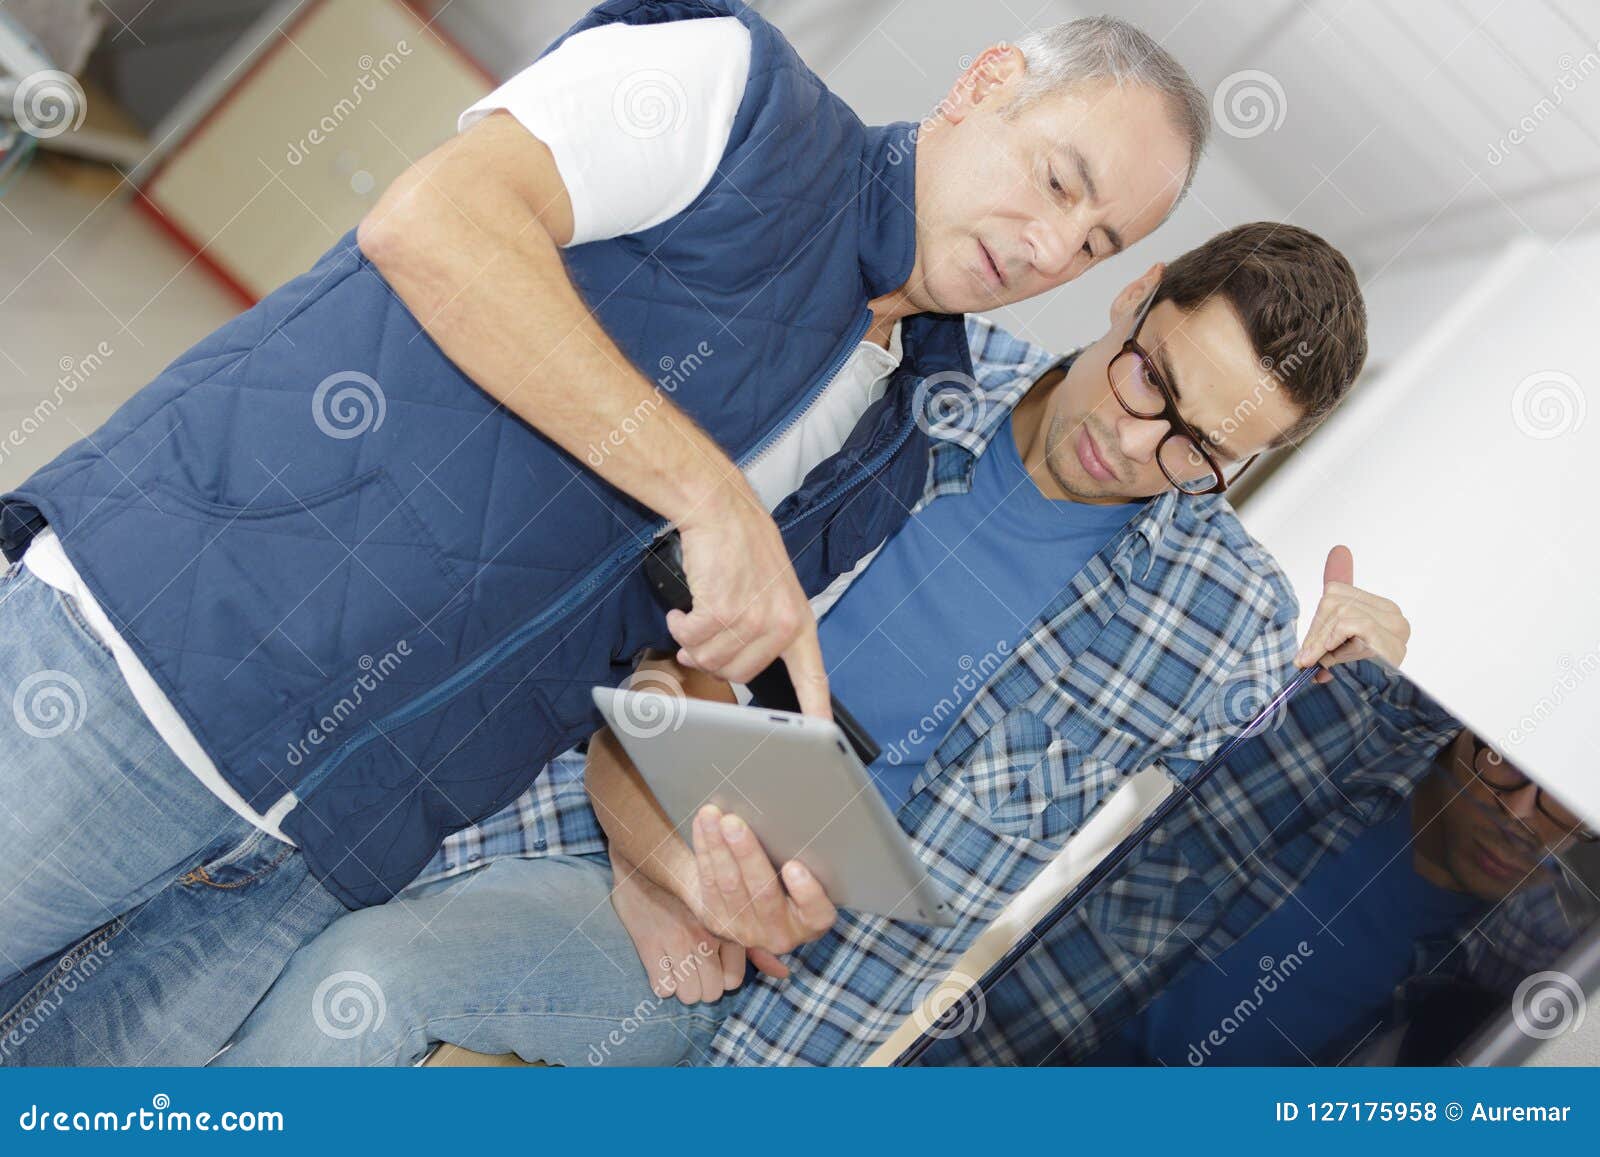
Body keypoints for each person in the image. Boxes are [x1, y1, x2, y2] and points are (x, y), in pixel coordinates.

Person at [0, 4, 1207, 991]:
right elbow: (438, 221)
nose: (1053, 249)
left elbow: (652, 660)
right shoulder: (739, 95)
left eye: (1095, 242)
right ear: (985, 81)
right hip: (141, 673)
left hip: (312, 855)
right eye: (1057, 181)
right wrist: (708, 494)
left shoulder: (900, 435)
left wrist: (689, 859)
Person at [192, 223, 1398, 1068]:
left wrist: (1374, 697)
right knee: (352, 983)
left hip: (785, 1013)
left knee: (372, 990)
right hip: (594, 820)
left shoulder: (1222, 619)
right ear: (1132, 299)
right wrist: (657, 860)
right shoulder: (908, 384)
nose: (1142, 450)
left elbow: (1254, 838)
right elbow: (631, 607)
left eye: (1202, 451)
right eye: (1151, 384)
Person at [1084, 728, 1596, 1066]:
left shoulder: (1531, 927)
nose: (1519, 817)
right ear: (1456, 739)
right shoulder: (1340, 762)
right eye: (1503, 764)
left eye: (1566, 801)